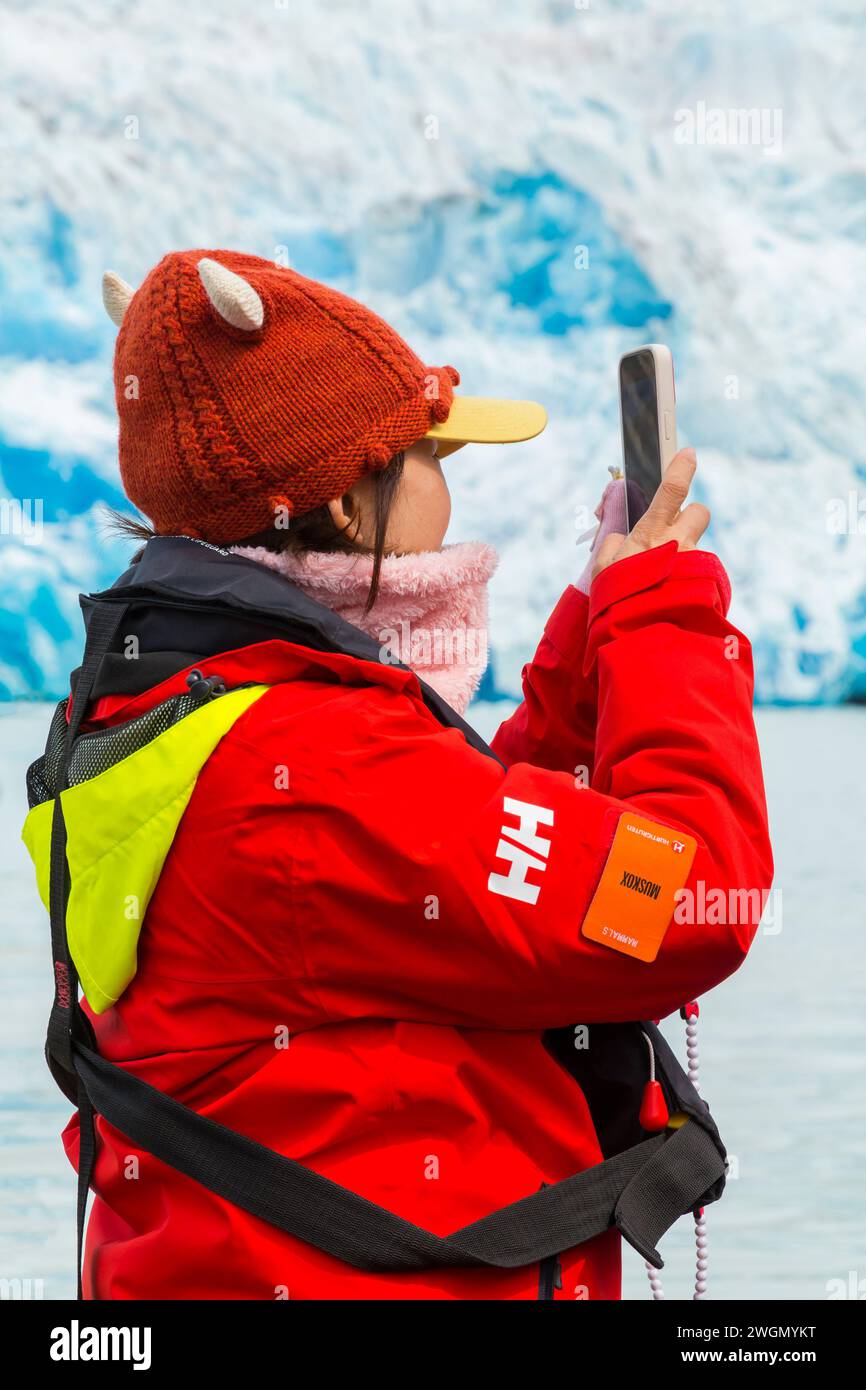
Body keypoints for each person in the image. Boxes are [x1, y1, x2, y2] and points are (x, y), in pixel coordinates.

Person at [23, 250, 773, 1300]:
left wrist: (578, 659)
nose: (448, 489)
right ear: (341, 505)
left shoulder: (173, 712)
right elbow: (684, 897)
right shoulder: (318, 770)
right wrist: (660, 618)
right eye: (431, 457)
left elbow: (441, 879)